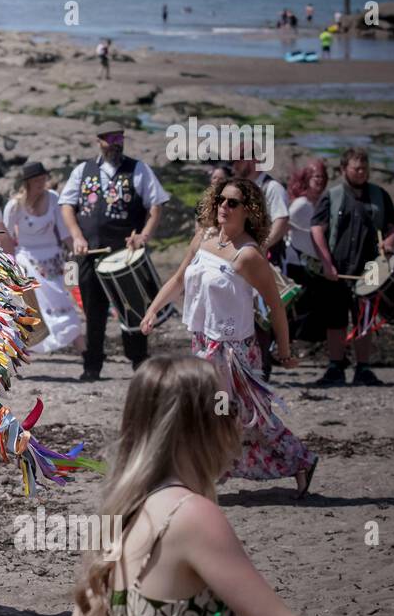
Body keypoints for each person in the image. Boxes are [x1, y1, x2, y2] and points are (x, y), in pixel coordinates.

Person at [62, 356, 394, 616]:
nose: (242, 419)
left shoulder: (123, 512)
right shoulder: (191, 515)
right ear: (199, 424)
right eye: (232, 405)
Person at [141, 179, 317, 495]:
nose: (224, 206)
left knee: (234, 416)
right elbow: (179, 279)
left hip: (233, 352)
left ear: (248, 211)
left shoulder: (248, 255)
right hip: (201, 343)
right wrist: (153, 310)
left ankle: (296, 460)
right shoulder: (204, 237)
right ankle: (205, 473)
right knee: (221, 415)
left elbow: (276, 306)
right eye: (221, 200)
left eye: (232, 202)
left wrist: (285, 350)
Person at [60, 123, 170, 381]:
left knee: (133, 308)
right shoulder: (83, 171)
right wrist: (76, 235)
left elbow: (155, 206)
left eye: (119, 137)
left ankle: (139, 363)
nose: (117, 143)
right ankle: (92, 365)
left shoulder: (138, 168)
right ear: (99, 141)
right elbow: (67, 205)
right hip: (90, 253)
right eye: (111, 138)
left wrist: (144, 235)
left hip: (125, 254)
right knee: (93, 312)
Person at [310, 148, 394, 386]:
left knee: (365, 320)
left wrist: (389, 243)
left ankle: (363, 368)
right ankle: (335, 367)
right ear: (343, 169)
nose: (361, 173)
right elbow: (317, 229)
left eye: (365, 168)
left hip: (371, 270)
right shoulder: (333, 195)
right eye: (356, 168)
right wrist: (327, 263)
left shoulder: (380, 195)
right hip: (337, 270)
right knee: (335, 320)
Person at [4, 161, 82, 353]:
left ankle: (88, 356)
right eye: (37, 180)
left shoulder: (53, 198)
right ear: (28, 182)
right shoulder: (15, 206)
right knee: (36, 307)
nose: (42, 183)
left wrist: (77, 250)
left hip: (53, 259)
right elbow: (5, 237)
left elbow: (64, 232)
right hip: (27, 258)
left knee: (64, 303)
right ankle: (25, 351)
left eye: (43, 178)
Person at [230, 149, 290, 379]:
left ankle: (262, 368)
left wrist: (261, 245)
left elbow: (282, 221)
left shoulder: (272, 188)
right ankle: (244, 365)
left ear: (252, 159)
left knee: (261, 314)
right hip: (241, 258)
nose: (234, 164)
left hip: (265, 259)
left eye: (238, 159)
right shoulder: (239, 189)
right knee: (241, 310)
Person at [284, 159, 334, 342]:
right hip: (298, 263)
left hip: (314, 263)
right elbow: (284, 226)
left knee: (314, 307)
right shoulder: (301, 205)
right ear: (306, 179)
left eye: (322, 176)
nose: (319, 180)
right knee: (300, 308)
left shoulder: (321, 202)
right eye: (315, 176)